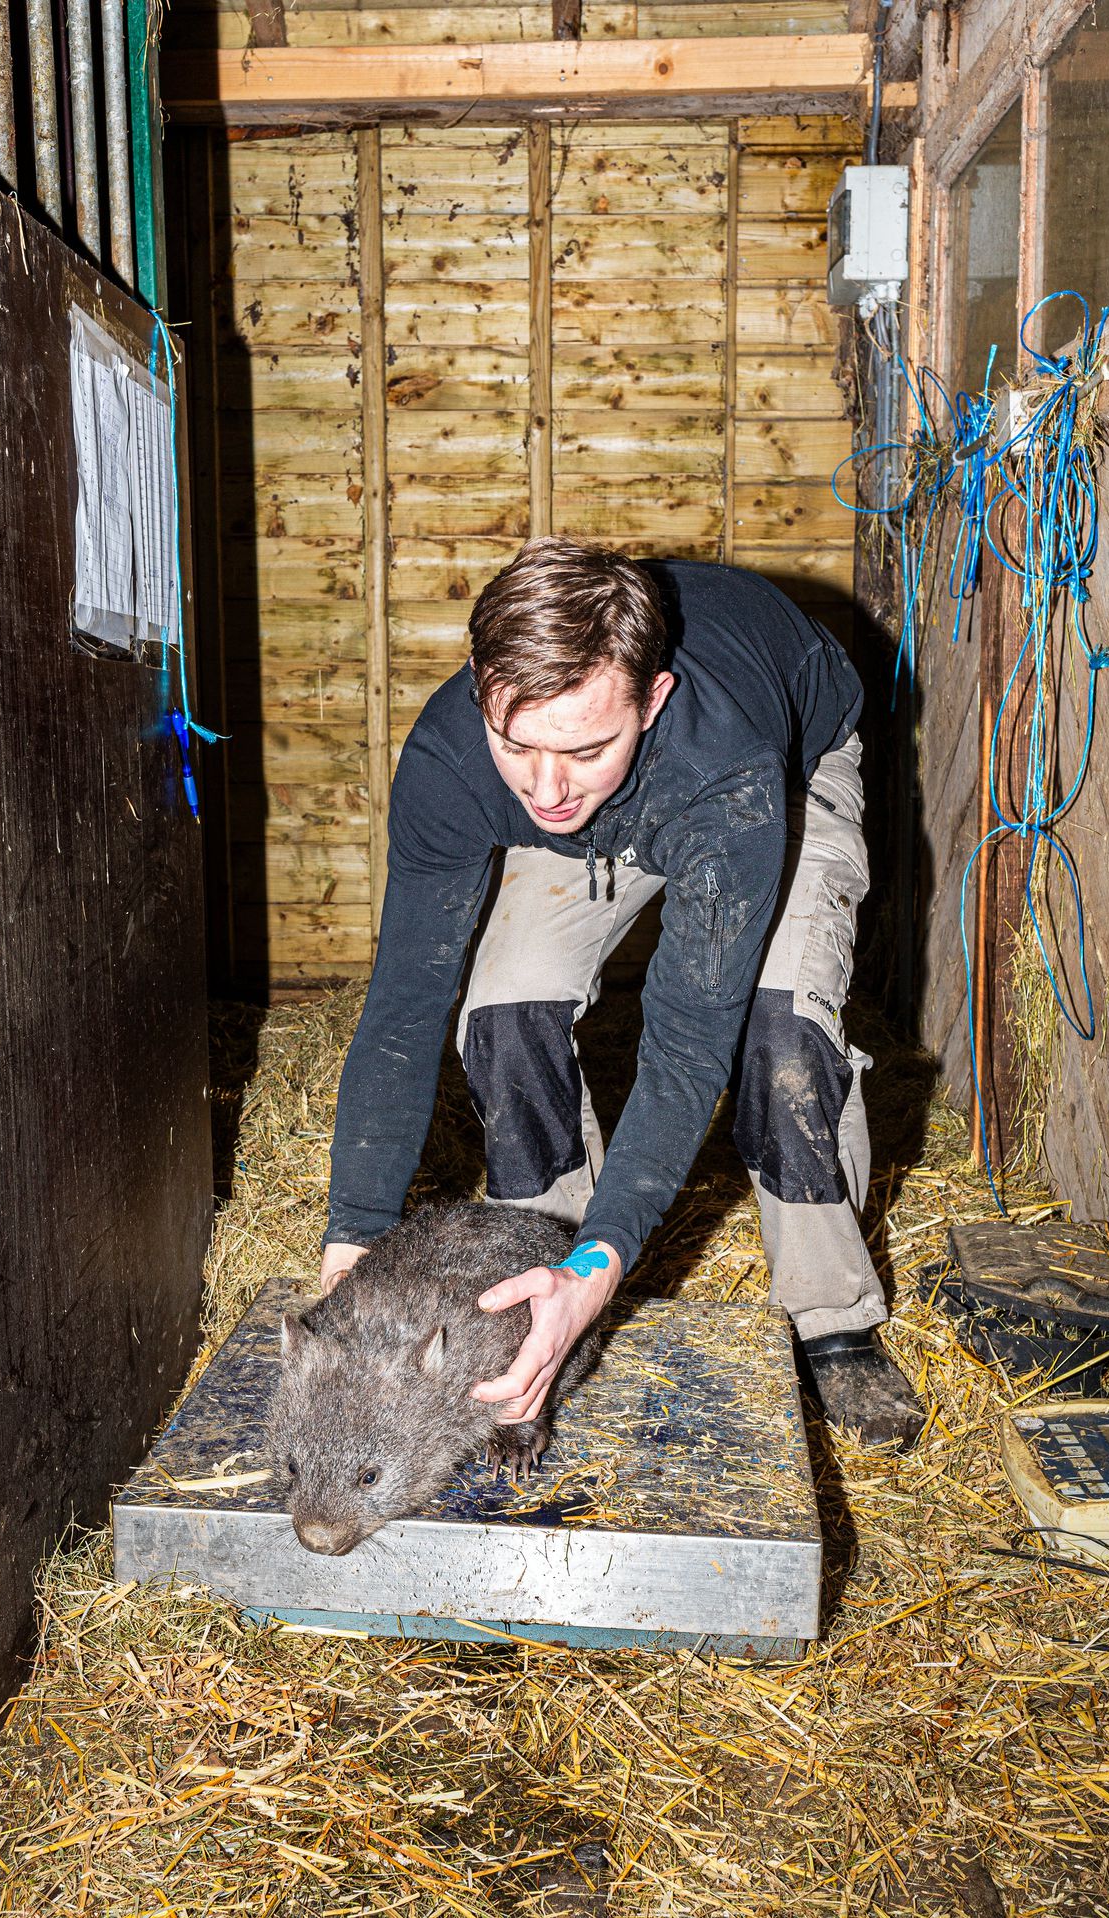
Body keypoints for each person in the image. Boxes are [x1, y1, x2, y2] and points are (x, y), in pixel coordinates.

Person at [320, 539, 923, 1447]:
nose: (547, 787)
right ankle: (538, 1291)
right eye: (515, 743)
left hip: (782, 777)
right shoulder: (458, 758)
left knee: (778, 1035)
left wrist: (610, 1258)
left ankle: (833, 1322)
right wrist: (353, 1243)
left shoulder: (727, 774)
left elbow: (686, 1047)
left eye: (584, 748)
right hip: (630, 806)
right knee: (501, 1019)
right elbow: (404, 1013)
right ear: (481, 683)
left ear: (652, 700)